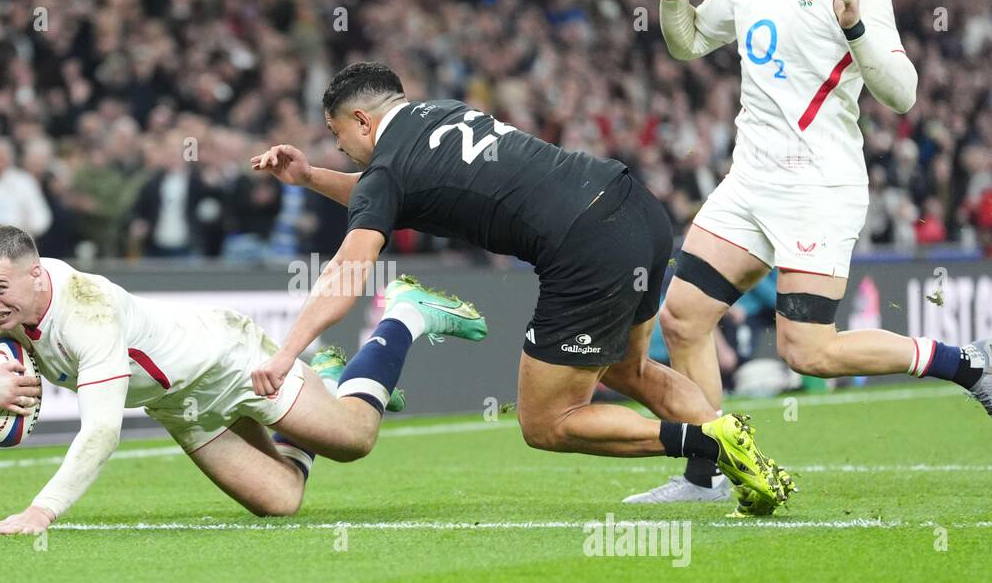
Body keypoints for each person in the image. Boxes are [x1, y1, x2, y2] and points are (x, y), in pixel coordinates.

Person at [250, 61, 794, 515]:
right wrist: (309, 177)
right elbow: (383, 190)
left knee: (547, 422)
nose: (338, 148)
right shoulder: (437, 114)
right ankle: (708, 477)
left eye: (336, 134)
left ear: (362, 120)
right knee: (631, 369)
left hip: (585, 245)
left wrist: (288, 352)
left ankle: (709, 442)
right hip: (631, 205)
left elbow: (350, 266)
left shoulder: (387, 171)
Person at [637, 0, 991, 504]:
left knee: (810, 353)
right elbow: (687, 44)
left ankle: (967, 362)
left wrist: (854, 25)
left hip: (818, 188)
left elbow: (904, 94)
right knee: (683, 319)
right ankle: (710, 472)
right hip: (750, 183)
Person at [0, 224, 484, 533]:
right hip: (178, 405)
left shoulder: (87, 310)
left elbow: (101, 432)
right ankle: (328, 377)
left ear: (37, 276)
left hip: (227, 360)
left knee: (355, 441)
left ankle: (403, 314)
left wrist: (40, 511)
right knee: (282, 501)